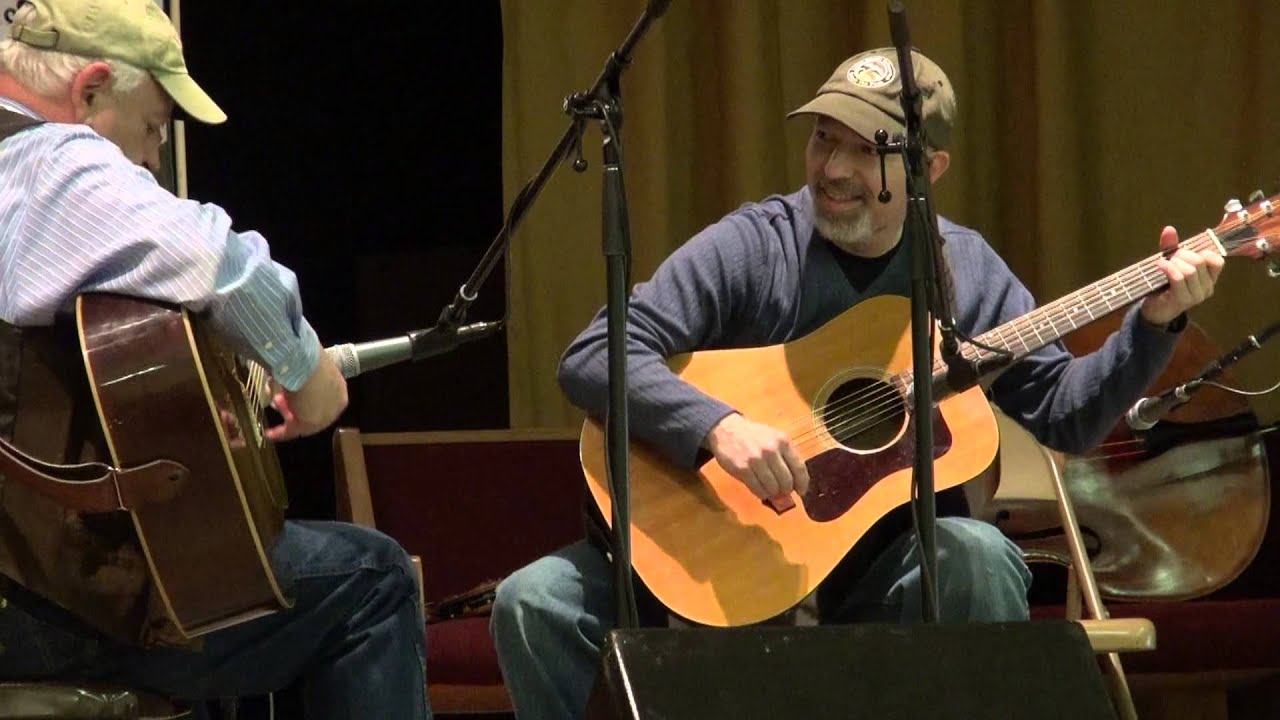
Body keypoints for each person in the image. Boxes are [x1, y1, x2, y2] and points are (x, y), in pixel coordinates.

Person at [490, 46, 1223, 719]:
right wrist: (718, 427)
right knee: (534, 603)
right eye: (822, 138)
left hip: (883, 576)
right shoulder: (757, 246)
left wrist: (1152, 326)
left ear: (929, 169)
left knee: (977, 557)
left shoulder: (962, 272)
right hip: (715, 555)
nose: (832, 168)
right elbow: (594, 354)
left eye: (865, 149)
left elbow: (1066, 414)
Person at [0, 1, 430, 718]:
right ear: (91, 90)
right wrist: (308, 374)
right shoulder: (53, 162)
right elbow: (218, 261)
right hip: (41, 605)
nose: (151, 160)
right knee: (372, 577)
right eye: (150, 128)